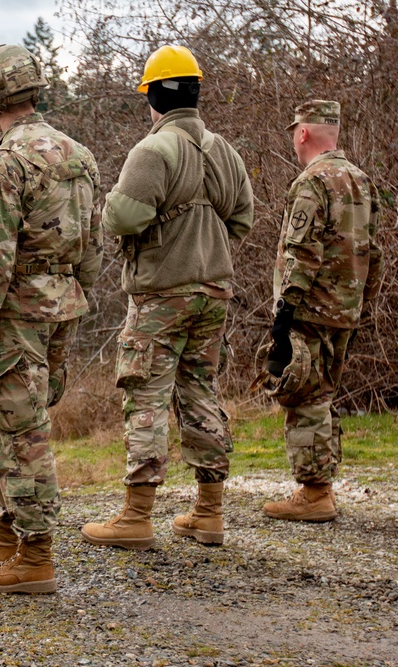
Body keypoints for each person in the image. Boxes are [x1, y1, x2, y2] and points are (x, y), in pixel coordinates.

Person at [80, 45, 254, 550]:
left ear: (154, 96)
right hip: (214, 292)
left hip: (161, 296)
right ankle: (209, 513)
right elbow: (242, 218)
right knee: (200, 392)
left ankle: (136, 517)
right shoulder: (224, 150)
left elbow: (122, 219)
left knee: (147, 395)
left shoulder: (152, 151)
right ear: (196, 93)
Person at [0, 44, 102, 594]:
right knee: (18, 422)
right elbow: (92, 244)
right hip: (63, 303)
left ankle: (35, 558)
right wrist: (76, 296)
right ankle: (5, 528)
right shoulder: (78, 154)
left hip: (17, 312)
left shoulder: (3, 164)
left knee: (22, 431)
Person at [259, 100, 381, 522]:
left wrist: (283, 313)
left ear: (303, 133)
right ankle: (321, 484)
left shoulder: (313, 182)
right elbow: (375, 252)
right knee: (323, 394)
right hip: (345, 308)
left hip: (310, 308)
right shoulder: (361, 181)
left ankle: (314, 493)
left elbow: (301, 252)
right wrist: (362, 303)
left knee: (305, 396)